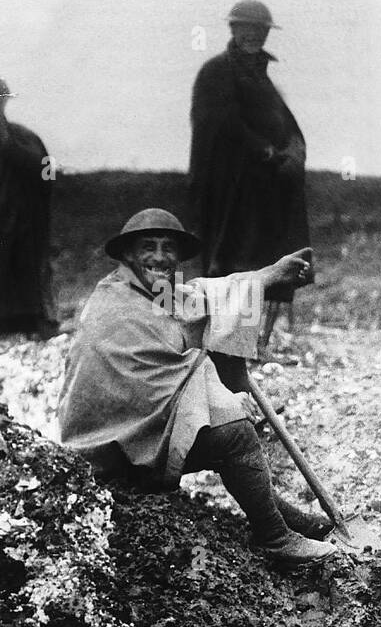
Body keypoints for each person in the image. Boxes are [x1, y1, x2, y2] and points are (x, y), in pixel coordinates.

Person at [57, 208, 335, 566]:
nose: (160, 257)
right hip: (109, 452)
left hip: (134, 433)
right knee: (234, 432)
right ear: (127, 254)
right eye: (148, 246)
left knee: (223, 423)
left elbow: (203, 297)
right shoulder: (115, 306)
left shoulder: (144, 289)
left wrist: (267, 277)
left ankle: (288, 520)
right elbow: (154, 383)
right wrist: (226, 399)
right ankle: (276, 540)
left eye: (169, 247)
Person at [189, 0, 309, 359]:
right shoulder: (216, 72)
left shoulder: (262, 77)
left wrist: (294, 150)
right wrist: (264, 151)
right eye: (245, 28)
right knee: (236, 265)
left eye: (259, 29)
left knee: (272, 262)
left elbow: (286, 124)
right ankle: (228, 346)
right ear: (232, 30)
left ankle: (259, 344)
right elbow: (220, 123)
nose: (252, 35)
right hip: (233, 193)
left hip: (268, 193)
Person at [0, 78, 57, 336]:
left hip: (24, 224)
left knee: (25, 270)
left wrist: (12, 148)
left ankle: (30, 321)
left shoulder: (26, 137)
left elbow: (48, 175)